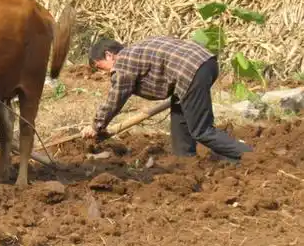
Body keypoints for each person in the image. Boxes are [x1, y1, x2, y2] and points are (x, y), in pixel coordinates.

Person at [81, 36, 253, 163]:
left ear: (109, 55)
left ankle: (248, 155)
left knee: (201, 130)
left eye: (98, 66)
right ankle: (185, 161)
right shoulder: (138, 49)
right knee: (180, 120)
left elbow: (115, 98)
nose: (102, 72)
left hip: (190, 71)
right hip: (205, 63)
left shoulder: (124, 62)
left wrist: (96, 125)